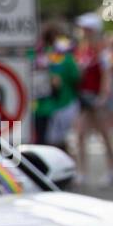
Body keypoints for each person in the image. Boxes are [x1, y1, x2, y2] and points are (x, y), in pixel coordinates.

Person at [73, 13, 113, 186]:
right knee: (80, 135)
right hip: (83, 99)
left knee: (105, 135)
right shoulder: (80, 50)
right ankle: (82, 173)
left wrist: (103, 97)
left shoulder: (104, 52)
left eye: (86, 29)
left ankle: (112, 171)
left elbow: (108, 76)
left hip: (98, 100)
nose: (83, 32)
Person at [32, 24, 80, 154]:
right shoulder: (61, 56)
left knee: (44, 142)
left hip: (44, 106)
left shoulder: (35, 54)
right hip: (55, 105)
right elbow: (76, 76)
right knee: (56, 143)